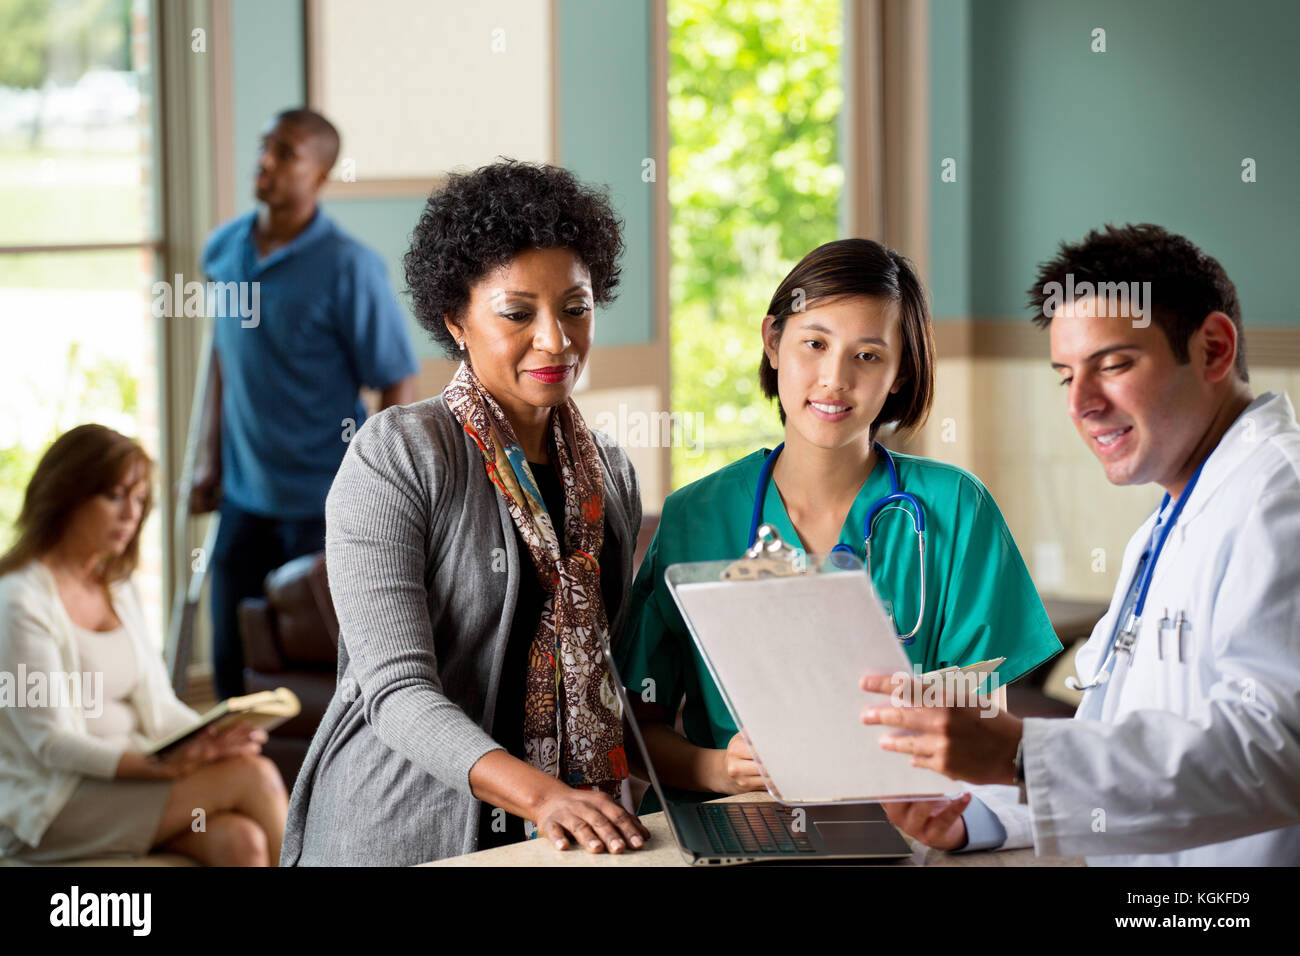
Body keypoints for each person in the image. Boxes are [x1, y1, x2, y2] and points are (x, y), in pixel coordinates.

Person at [861, 223, 1300, 866]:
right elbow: (1114, 740)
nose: (1082, 404)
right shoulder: (1174, 514)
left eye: (1114, 364)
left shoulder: (1279, 500)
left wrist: (1017, 754)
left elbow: (1275, 752)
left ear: (1213, 349)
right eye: (1066, 376)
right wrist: (971, 814)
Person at [281, 160, 652, 866]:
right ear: (456, 320)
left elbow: (616, 671)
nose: (556, 339)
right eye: (518, 313)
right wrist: (544, 795)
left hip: (564, 840)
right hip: (400, 835)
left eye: (575, 307)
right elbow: (394, 692)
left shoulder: (613, 475)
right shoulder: (397, 455)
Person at [617, 238, 1062, 811]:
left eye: (868, 355)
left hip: (909, 815)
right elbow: (635, 724)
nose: (834, 378)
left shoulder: (956, 507)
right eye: (815, 344)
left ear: (901, 373)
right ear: (773, 342)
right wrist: (719, 770)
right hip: (745, 819)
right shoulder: (693, 516)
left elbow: (982, 718)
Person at [194, 107, 419, 700]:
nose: (265, 161)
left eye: (286, 153)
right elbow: (222, 360)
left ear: (320, 175)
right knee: (233, 658)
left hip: (322, 503)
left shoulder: (350, 268)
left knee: (326, 669)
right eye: (265, 145)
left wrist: (377, 484)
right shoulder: (223, 250)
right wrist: (209, 461)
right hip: (244, 496)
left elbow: (397, 381)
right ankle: (237, 781)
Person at [0, 425, 288, 865]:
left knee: (241, 842)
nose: (130, 515)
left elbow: (157, 704)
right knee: (255, 777)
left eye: (138, 501)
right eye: (115, 496)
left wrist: (208, 736)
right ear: (67, 494)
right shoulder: (19, 599)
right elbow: (50, 743)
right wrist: (158, 767)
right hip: (53, 804)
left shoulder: (118, 587)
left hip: (129, 784)